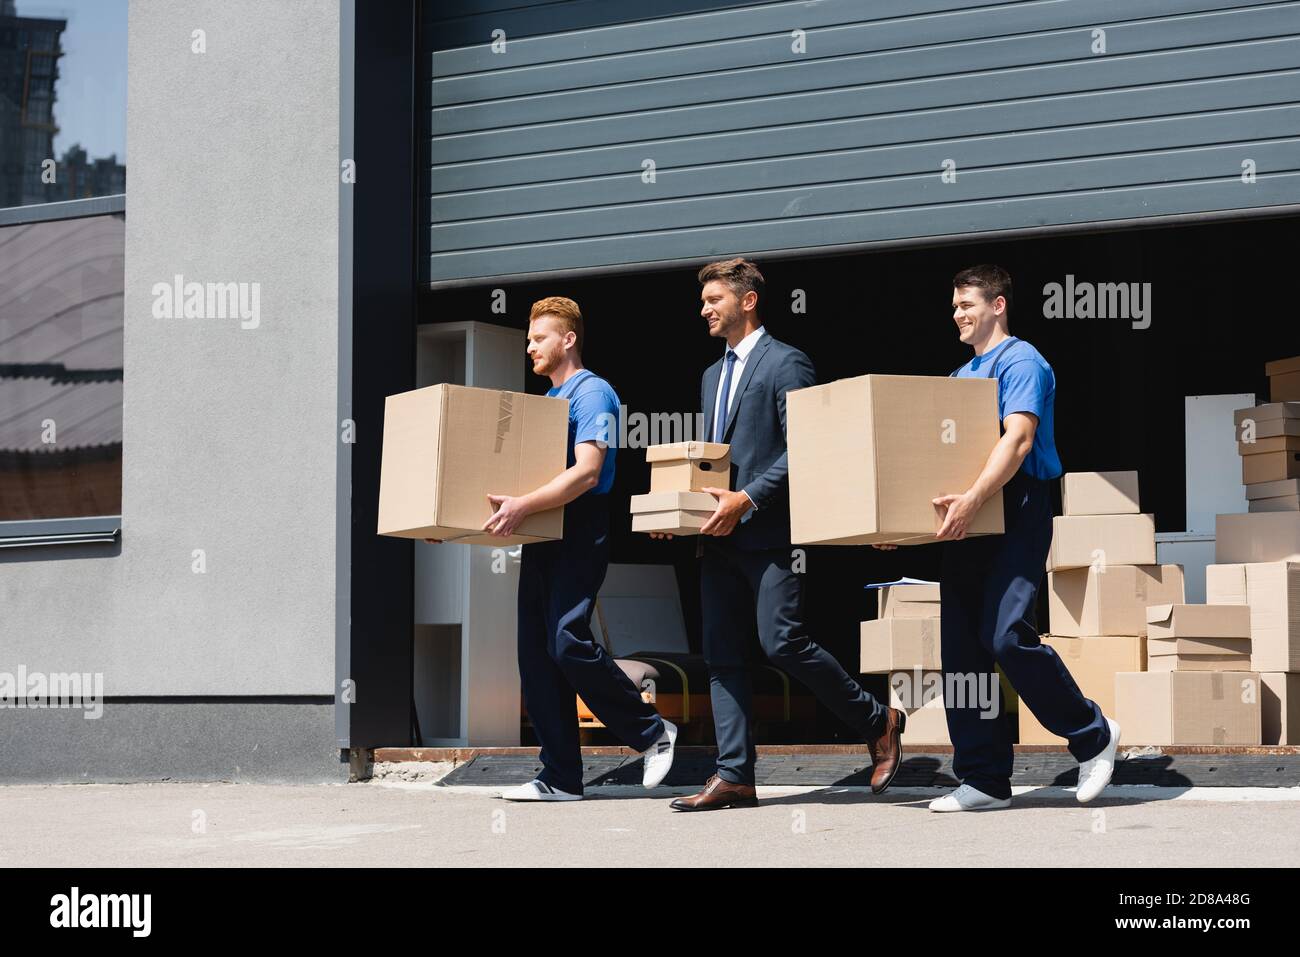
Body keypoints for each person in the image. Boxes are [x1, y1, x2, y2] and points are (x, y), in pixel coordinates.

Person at [657, 258, 905, 812]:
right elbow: (715, 462)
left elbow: (806, 448)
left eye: (714, 299)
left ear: (747, 302)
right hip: (718, 538)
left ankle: (879, 721)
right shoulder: (708, 375)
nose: (704, 309)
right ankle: (735, 776)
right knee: (722, 656)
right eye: (703, 301)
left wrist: (749, 498)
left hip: (772, 534)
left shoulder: (786, 363)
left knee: (782, 642)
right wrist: (680, 513)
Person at [889, 264, 1119, 811]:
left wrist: (971, 499)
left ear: (997, 305)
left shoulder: (1022, 362)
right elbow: (932, 468)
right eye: (953, 307)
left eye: (966, 304)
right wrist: (897, 524)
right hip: (970, 517)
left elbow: (1017, 442)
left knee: (1005, 636)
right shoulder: (957, 378)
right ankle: (985, 778)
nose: (958, 315)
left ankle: (1092, 733)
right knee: (963, 652)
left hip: (1017, 508)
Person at [429, 297, 675, 801]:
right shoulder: (544, 404)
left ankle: (653, 731)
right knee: (537, 655)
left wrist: (522, 507)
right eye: (527, 339)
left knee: (566, 639)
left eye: (538, 338)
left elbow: (586, 472)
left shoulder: (594, 394)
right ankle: (560, 777)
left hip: (581, 528)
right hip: (543, 529)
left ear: (568, 339)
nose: (529, 347)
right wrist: (448, 523)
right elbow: (508, 489)